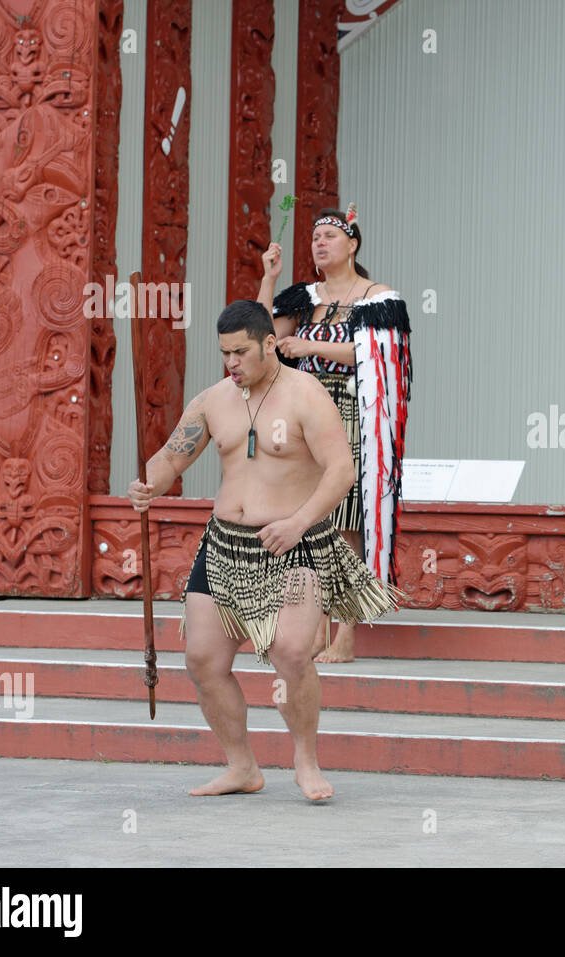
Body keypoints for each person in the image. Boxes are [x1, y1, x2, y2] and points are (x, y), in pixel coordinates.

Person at [128, 300, 398, 800]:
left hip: (292, 543)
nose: (232, 363)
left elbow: (342, 470)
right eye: (225, 353)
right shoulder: (213, 400)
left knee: (293, 652)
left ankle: (306, 761)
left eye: (241, 352)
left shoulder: (306, 394)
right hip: (224, 545)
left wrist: (298, 522)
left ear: (269, 343)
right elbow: (171, 456)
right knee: (203, 660)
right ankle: (242, 767)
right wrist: (148, 483)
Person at [258, 204, 413, 663]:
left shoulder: (378, 296)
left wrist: (310, 345)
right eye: (314, 236)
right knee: (312, 524)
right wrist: (269, 279)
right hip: (306, 415)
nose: (319, 243)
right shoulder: (303, 297)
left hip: (354, 414)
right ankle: (317, 629)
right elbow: (261, 339)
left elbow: (380, 355)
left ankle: (346, 633)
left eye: (328, 235)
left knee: (346, 524)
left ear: (353, 244)